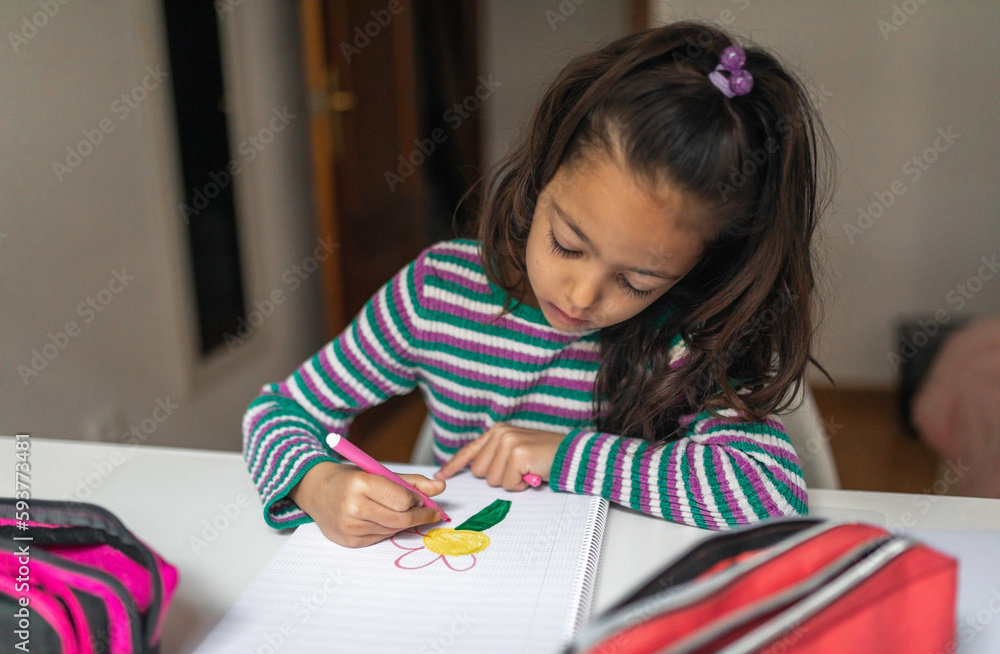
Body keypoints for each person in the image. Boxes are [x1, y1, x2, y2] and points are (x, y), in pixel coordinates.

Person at [242, 21, 835, 547]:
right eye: (567, 245)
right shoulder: (436, 294)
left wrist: (566, 455)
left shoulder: (684, 336)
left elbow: (768, 493)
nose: (580, 296)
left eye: (636, 280)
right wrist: (316, 485)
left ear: (695, 269)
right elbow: (277, 413)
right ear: (540, 177)